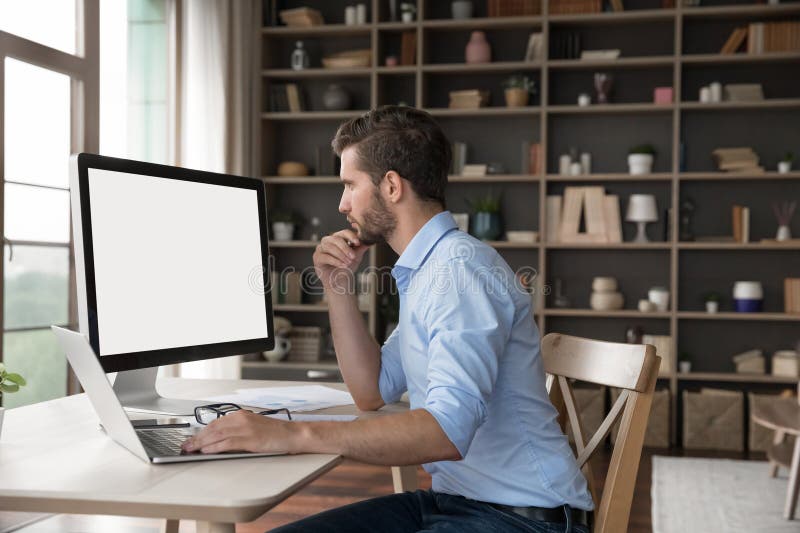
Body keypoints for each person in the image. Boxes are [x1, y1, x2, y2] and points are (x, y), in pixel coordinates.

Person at [181, 105, 593, 532]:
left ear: (391, 186)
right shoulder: (428, 270)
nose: (342, 204)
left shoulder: (459, 271)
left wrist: (291, 435)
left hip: (525, 519)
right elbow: (371, 390)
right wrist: (337, 286)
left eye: (350, 185)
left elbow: (446, 433)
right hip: (455, 502)